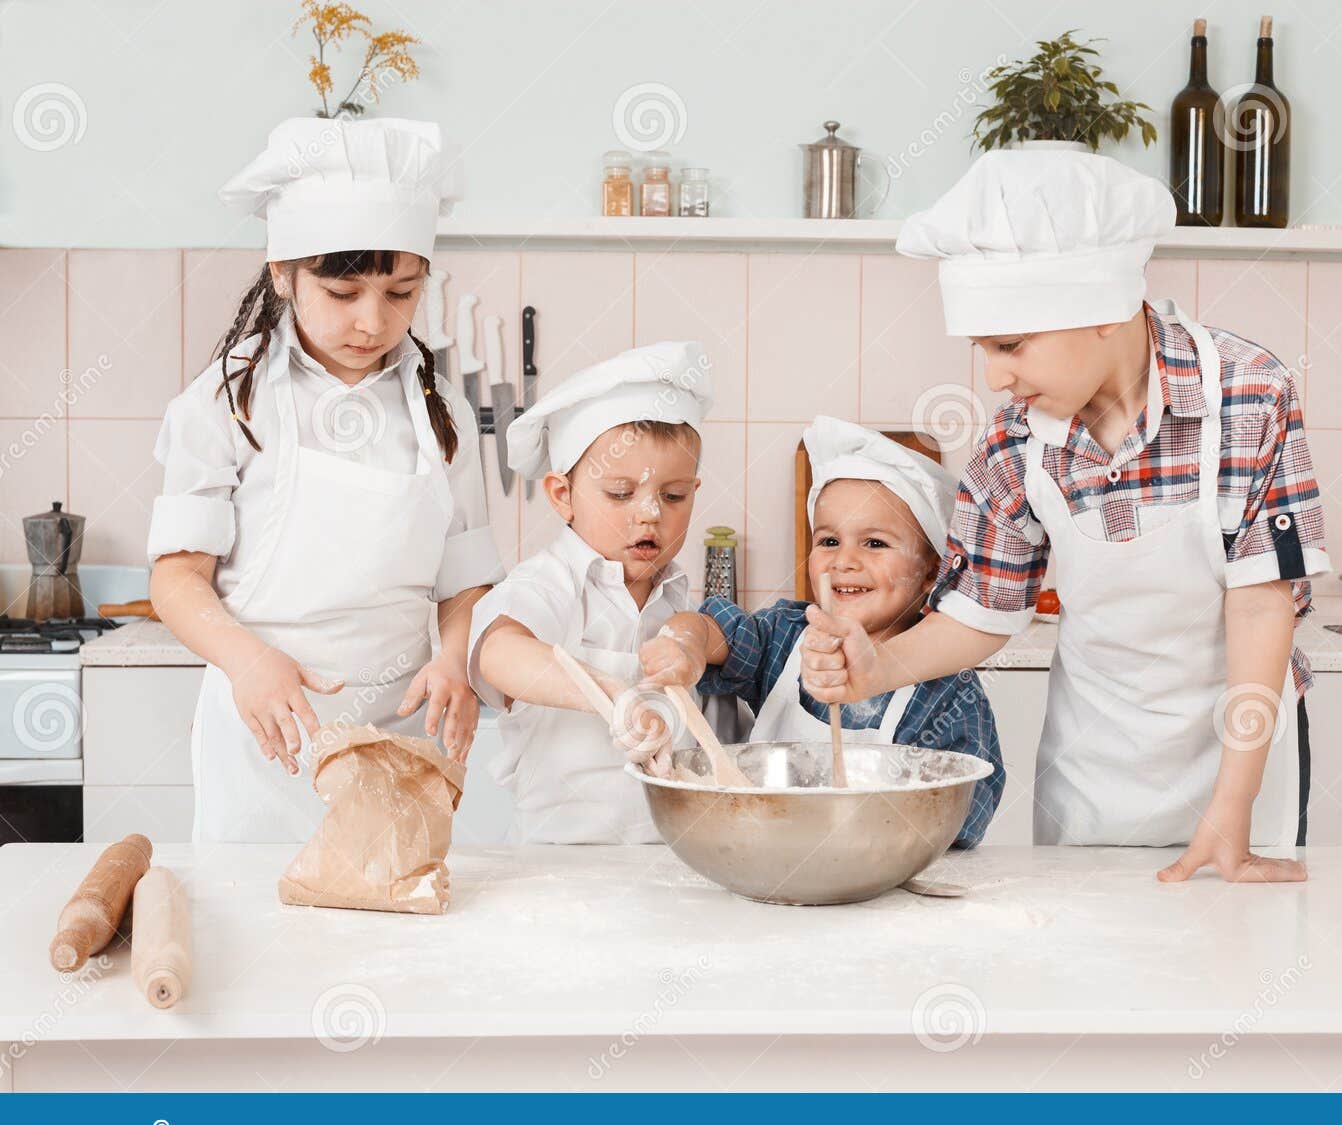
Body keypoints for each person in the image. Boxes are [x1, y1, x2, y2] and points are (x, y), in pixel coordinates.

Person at [800, 147, 1331, 883]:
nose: (996, 375)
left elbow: (1262, 607)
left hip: (1243, 762)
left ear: (1104, 311)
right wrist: (876, 668)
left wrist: (1229, 809)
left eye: (1012, 344)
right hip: (1094, 769)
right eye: (985, 348)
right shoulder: (1014, 441)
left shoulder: (1249, 395)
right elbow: (982, 611)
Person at [148, 117, 502, 842]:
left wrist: (454, 658)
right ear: (282, 273)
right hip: (266, 742)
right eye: (343, 293)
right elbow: (177, 577)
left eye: (401, 292)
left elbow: (465, 582)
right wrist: (248, 661)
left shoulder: (446, 415)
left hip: (401, 738)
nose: (373, 321)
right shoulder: (224, 405)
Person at [637, 416, 1004, 847]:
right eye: (829, 541)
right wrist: (684, 642)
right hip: (767, 859)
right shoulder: (787, 635)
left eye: (874, 543)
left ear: (931, 573)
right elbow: (714, 629)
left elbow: (965, 818)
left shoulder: (947, 691)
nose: (843, 561)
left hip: (882, 881)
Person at [467, 341, 712, 843]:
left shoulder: (679, 600)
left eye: (673, 495)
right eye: (621, 494)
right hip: (559, 864)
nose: (649, 513)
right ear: (563, 497)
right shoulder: (549, 583)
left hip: (666, 861)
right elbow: (498, 654)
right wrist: (612, 694)